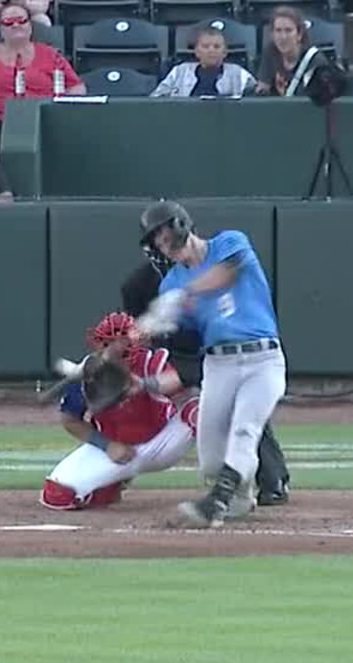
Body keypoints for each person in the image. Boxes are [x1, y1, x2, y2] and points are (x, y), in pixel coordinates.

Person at [140, 201, 287, 528]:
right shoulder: (170, 283)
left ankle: (216, 502)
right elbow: (181, 326)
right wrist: (153, 324)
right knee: (209, 460)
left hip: (262, 359)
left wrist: (184, 294)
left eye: (163, 234)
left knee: (245, 430)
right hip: (219, 365)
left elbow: (225, 273)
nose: (163, 244)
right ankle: (240, 497)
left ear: (180, 225)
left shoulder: (229, 242)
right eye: (156, 241)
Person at [120, 250, 290, 505]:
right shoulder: (137, 284)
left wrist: (184, 301)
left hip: (212, 348)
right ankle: (123, 470)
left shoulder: (208, 266)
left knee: (245, 408)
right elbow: (141, 332)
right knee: (141, 396)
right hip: (172, 353)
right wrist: (148, 333)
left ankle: (272, 479)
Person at [41, 312, 200, 512]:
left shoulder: (150, 360)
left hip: (161, 441)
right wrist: (107, 445)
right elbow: (69, 420)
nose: (112, 347)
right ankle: (110, 486)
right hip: (119, 449)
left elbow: (175, 380)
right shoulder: (89, 372)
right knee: (58, 495)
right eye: (107, 342)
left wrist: (144, 384)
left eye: (120, 341)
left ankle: (225, 488)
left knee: (200, 409)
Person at [0, 4, 84, 154]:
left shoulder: (51, 55)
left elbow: (76, 86)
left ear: (30, 26)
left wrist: (63, 109)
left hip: (42, 119)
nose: (16, 25)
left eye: (21, 21)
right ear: (0, 29)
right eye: (8, 22)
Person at [150, 24, 257, 98]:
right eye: (205, 46)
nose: (211, 50)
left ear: (225, 52)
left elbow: (256, 96)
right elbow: (156, 99)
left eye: (217, 46)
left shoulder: (238, 73)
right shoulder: (179, 72)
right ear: (197, 52)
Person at [253, 6, 333, 97]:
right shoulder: (270, 52)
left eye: (288, 31)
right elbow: (263, 88)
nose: (283, 37)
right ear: (272, 34)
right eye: (278, 30)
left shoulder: (315, 60)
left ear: (299, 34)